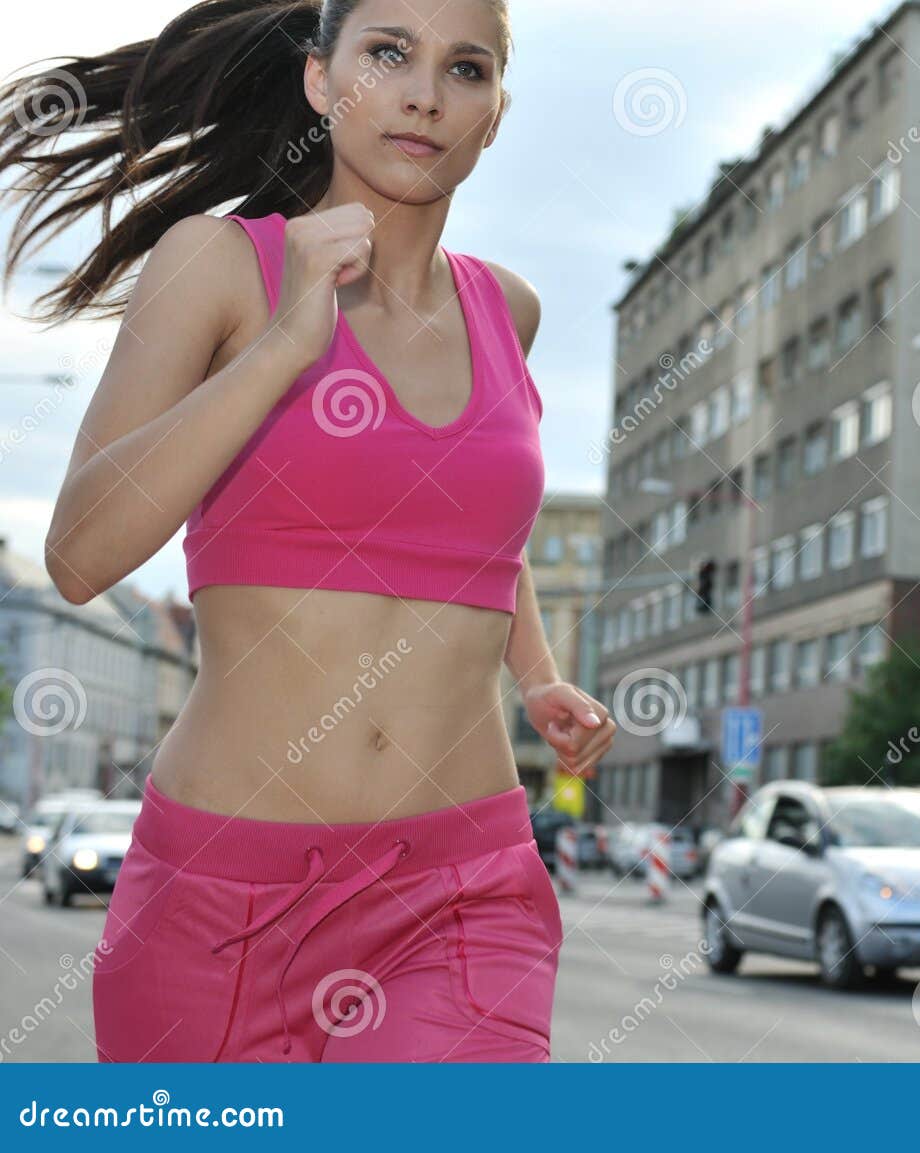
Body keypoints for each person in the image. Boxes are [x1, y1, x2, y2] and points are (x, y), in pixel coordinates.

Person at [9, 0, 616, 1061]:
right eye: (388, 54)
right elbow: (79, 553)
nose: (425, 92)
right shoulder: (217, 264)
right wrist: (285, 345)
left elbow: (469, 514)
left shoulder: (505, 308)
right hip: (221, 902)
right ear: (317, 82)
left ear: (495, 113)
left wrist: (537, 673)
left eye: (464, 69)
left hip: (460, 886)